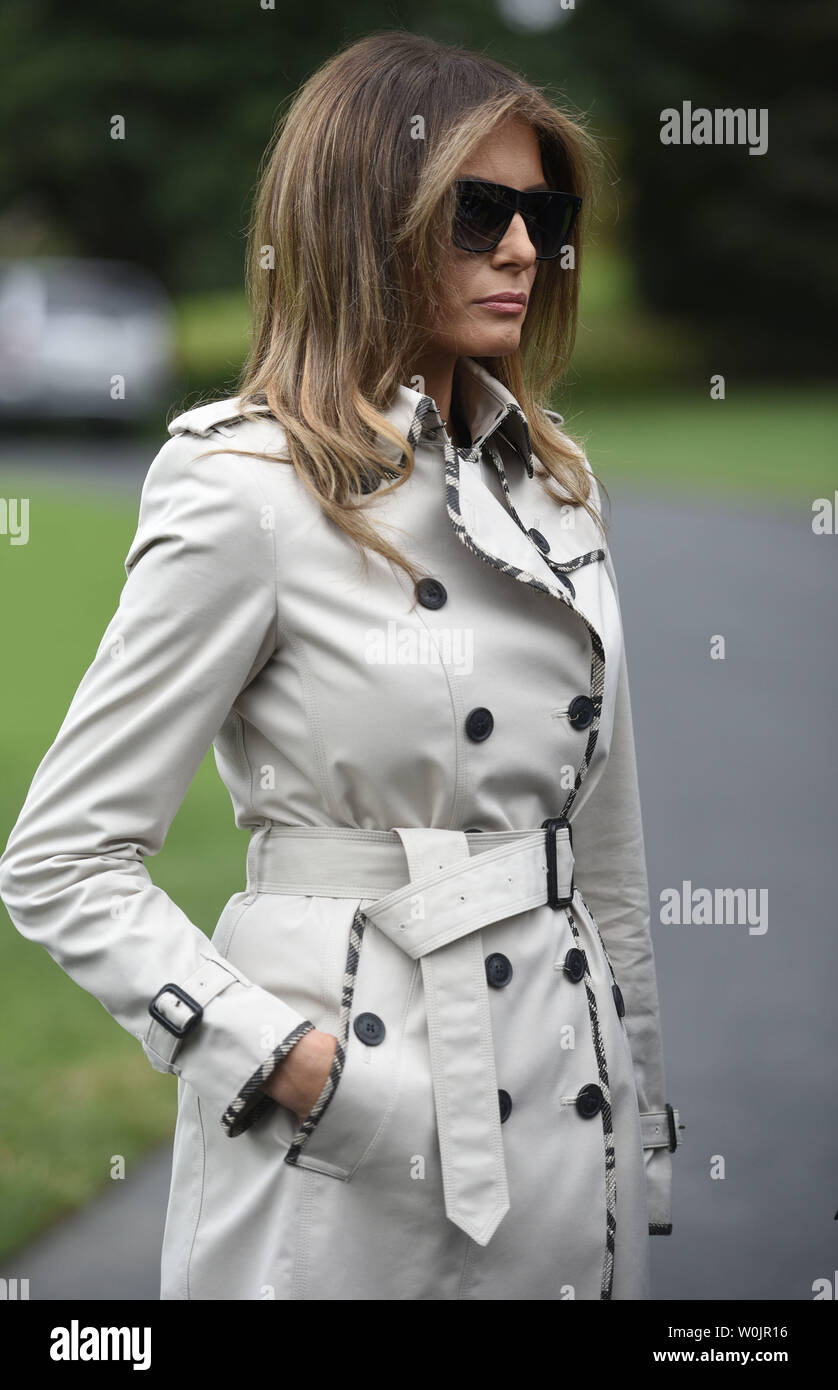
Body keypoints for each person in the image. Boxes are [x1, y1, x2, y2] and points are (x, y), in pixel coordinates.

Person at [0, 30, 683, 1300]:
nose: (525, 247)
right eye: (480, 211)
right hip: (350, 1133)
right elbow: (60, 858)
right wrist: (287, 1061)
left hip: (561, 1106)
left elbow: (610, 856)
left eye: (543, 210)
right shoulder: (245, 485)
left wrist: (636, 1122)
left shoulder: (556, 486)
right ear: (365, 221)